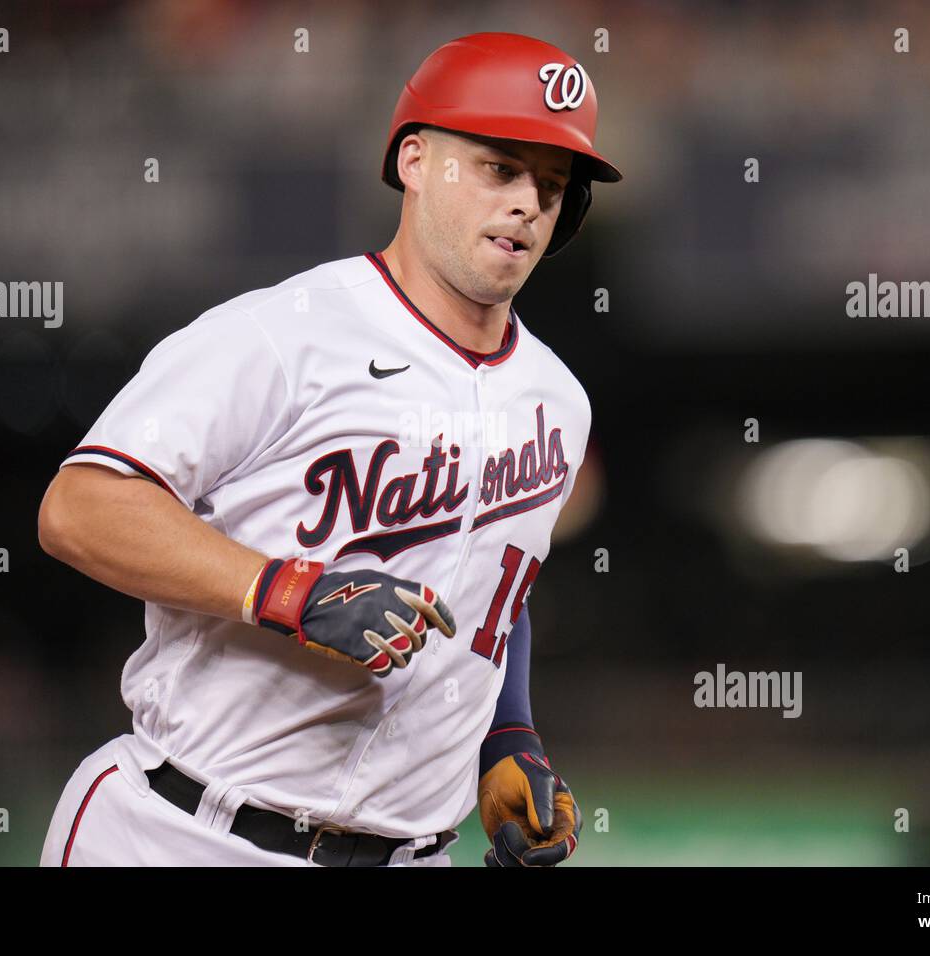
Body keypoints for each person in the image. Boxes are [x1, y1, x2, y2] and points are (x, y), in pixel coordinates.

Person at [36, 31, 621, 867]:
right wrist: (281, 589)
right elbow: (80, 507)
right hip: (181, 831)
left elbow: (498, 573)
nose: (529, 201)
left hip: (411, 852)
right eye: (499, 168)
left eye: (552, 184)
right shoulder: (283, 334)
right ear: (415, 161)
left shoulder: (557, 403)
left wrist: (510, 734)